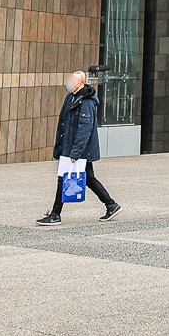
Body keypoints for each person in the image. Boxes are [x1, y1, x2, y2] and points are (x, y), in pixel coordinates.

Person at [37, 71, 120, 226]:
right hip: (69, 146)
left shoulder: (86, 102)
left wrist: (75, 152)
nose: (69, 82)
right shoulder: (71, 98)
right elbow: (64, 123)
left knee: (63, 178)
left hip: (78, 149)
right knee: (88, 178)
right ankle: (111, 204)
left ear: (80, 82)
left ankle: (56, 213)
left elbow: (84, 129)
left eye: (72, 80)